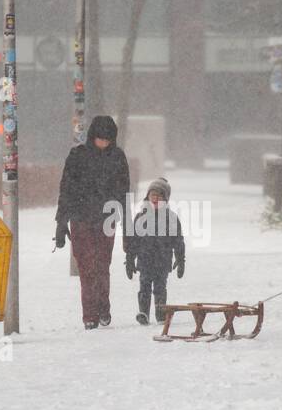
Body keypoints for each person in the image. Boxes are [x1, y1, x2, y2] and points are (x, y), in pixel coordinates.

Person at [54, 115, 130, 329]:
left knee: (102, 265)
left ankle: (103, 307)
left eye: (107, 140)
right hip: (81, 219)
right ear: (92, 137)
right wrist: (61, 222)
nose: (103, 143)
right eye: (99, 139)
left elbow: (124, 192)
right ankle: (90, 315)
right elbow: (66, 189)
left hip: (107, 219)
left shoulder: (117, 157)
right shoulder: (77, 156)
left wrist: (129, 229)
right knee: (87, 268)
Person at [124, 176, 185, 325]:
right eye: (153, 195)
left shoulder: (171, 218)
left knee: (160, 288)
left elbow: (178, 240)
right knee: (144, 287)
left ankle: (161, 313)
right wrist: (130, 260)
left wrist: (180, 258)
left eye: (159, 196)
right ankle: (143, 312)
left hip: (162, 261)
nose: (155, 198)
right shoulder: (141, 217)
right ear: (148, 197)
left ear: (165, 198)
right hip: (145, 260)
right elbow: (133, 241)